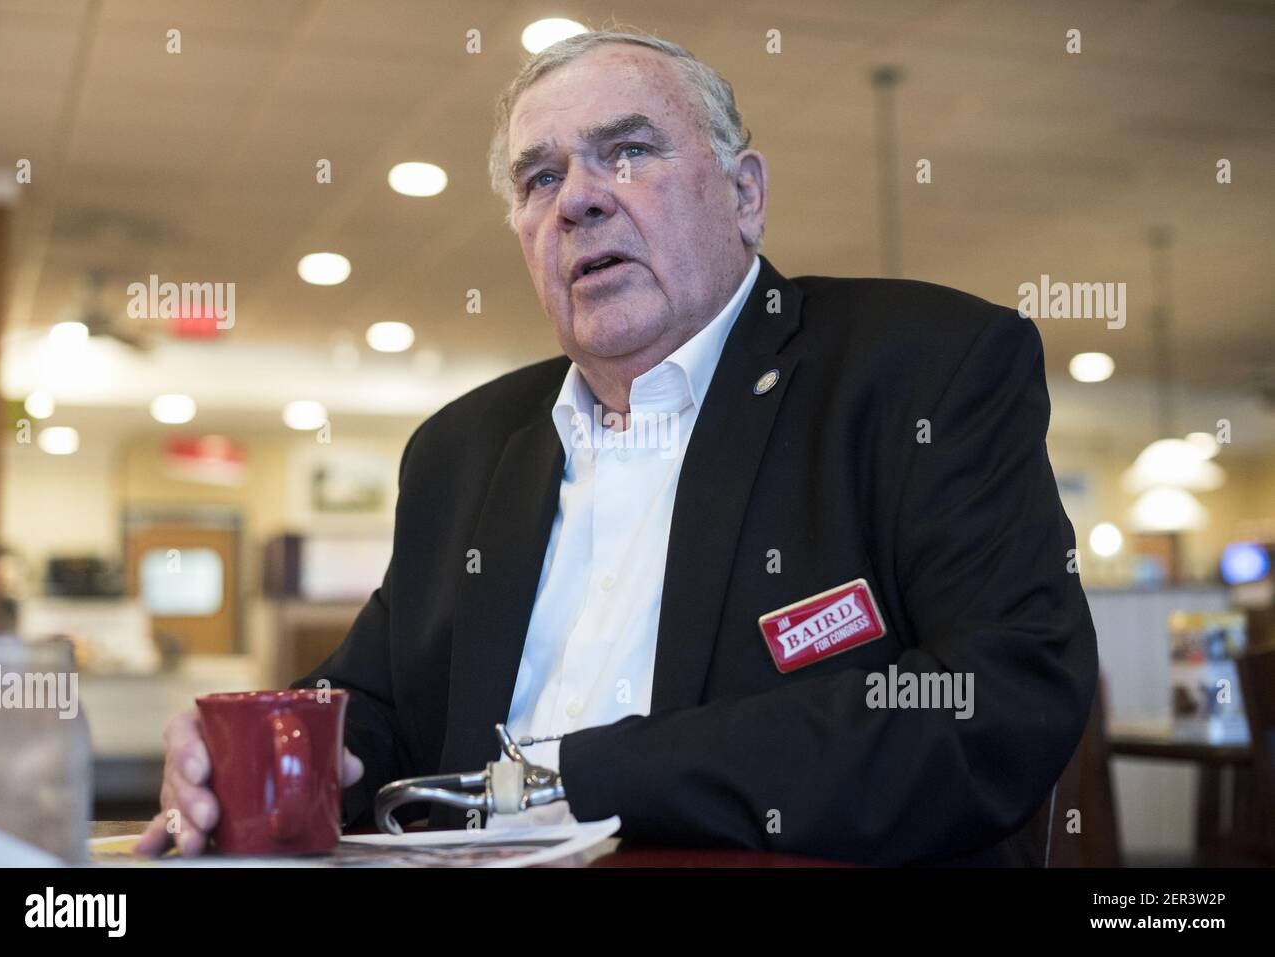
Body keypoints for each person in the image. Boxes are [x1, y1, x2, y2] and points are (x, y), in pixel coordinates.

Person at [138, 29, 1097, 866]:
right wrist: (261, 750)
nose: (578, 202)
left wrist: (586, 772)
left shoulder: (921, 371)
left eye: (628, 151)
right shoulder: (463, 450)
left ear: (744, 193)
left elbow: (1000, 697)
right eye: (540, 177)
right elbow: (377, 710)